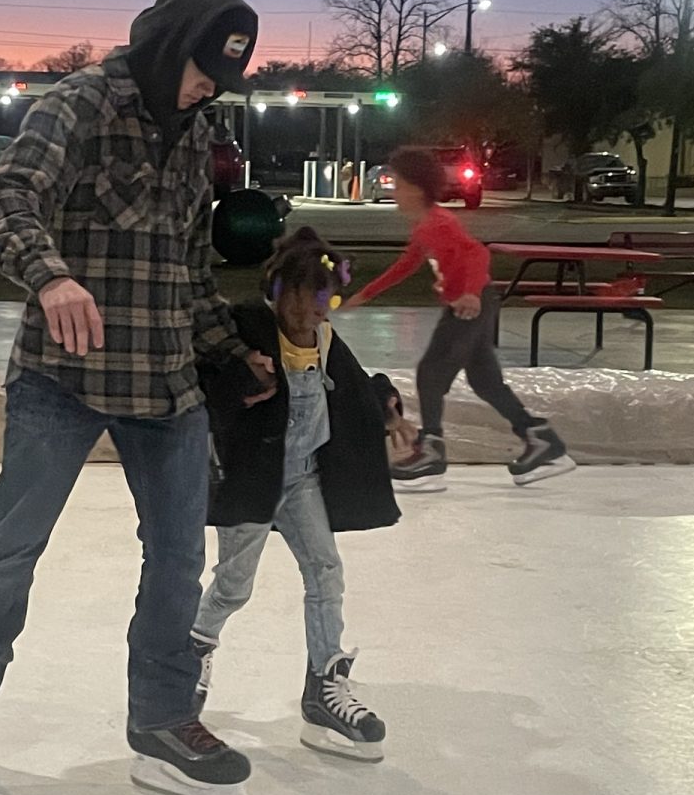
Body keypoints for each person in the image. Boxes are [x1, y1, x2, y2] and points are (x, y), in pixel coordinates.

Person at [0, 0, 275, 795]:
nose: (210, 89)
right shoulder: (81, 103)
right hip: (62, 381)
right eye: (205, 68)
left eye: (224, 78)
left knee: (177, 561)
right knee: (10, 551)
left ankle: (164, 719)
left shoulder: (200, 130)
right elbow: (8, 198)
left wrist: (227, 350)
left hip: (166, 388)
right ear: (171, 46)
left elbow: (187, 264)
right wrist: (51, 276)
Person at [192, 228, 412, 760]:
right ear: (279, 290)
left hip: (302, 479)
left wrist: (388, 409)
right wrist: (242, 384)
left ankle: (323, 688)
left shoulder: (326, 340)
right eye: (308, 296)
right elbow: (207, 380)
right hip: (251, 479)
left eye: (327, 299)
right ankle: (191, 655)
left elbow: (358, 385)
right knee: (233, 586)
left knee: (326, 572)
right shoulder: (248, 328)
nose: (317, 310)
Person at [344, 145, 573, 489]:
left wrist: (469, 293)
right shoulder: (425, 227)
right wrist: (365, 294)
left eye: (399, 184)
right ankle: (543, 441)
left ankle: (432, 453)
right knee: (486, 383)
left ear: (417, 189)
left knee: (431, 372)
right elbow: (405, 266)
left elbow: (476, 253)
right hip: (473, 304)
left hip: (470, 305)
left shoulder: (439, 223)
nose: (394, 192)